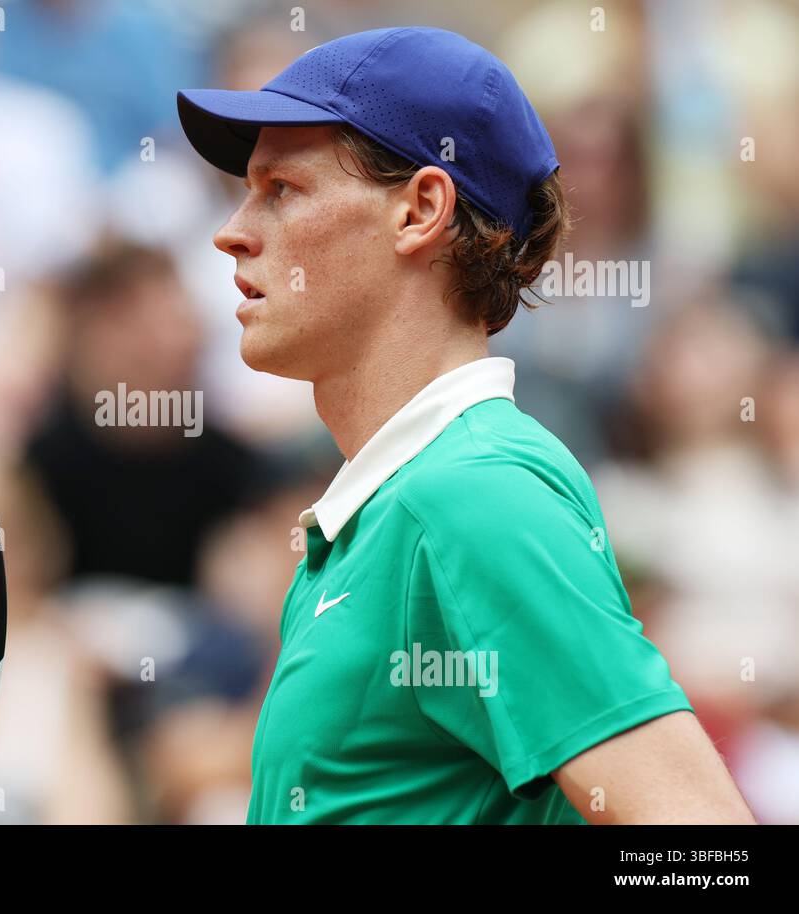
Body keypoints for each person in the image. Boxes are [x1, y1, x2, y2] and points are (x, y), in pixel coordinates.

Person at [177, 26, 755, 824]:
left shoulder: (470, 499)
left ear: (419, 210)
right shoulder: (394, 509)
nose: (232, 229)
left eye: (283, 189)